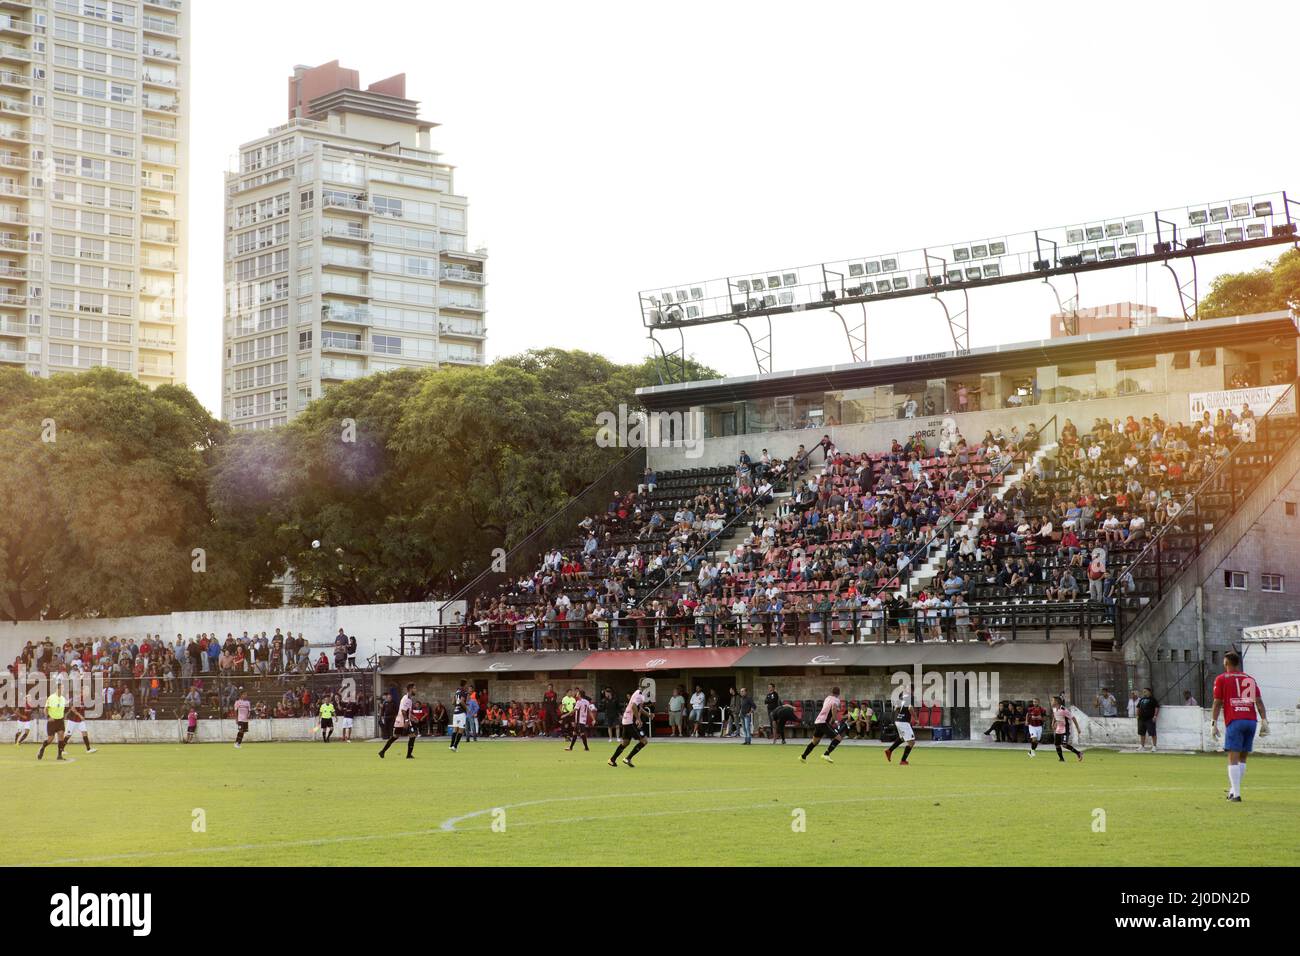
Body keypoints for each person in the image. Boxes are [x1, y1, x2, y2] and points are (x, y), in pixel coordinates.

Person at [1212, 651, 1269, 802]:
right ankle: (1232, 790)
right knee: (1242, 758)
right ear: (1238, 663)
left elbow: (1217, 702)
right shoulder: (1249, 679)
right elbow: (1258, 701)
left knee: (1233, 758)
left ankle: (1236, 794)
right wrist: (1264, 720)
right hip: (1251, 721)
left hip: (1235, 720)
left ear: (1226, 663)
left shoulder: (1222, 679)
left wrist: (1213, 722)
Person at [609, 679, 652, 768]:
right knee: (644, 741)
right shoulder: (639, 694)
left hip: (626, 720)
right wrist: (639, 719)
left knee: (625, 742)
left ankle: (612, 760)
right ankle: (628, 758)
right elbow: (633, 707)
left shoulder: (639, 693)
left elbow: (639, 708)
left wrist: (648, 715)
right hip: (630, 721)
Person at [800, 687, 846, 764]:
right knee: (838, 738)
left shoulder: (827, 698)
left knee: (815, 742)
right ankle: (826, 754)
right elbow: (834, 707)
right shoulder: (836, 700)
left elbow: (829, 707)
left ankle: (803, 756)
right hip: (824, 722)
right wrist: (833, 720)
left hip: (818, 721)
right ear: (839, 693)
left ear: (832, 692)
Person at [378, 682, 418, 759]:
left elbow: (406, 711)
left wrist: (412, 717)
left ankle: (382, 752)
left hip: (403, 720)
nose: (416, 690)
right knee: (412, 736)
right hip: (402, 721)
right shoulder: (405, 699)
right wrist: (406, 721)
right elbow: (403, 711)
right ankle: (408, 755)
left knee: (395, 736)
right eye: (414, 688)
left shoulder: (409, 699)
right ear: (410, 689)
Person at [36, 687, 70, 762]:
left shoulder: (63, 699)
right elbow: (45, 709)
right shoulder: (51, 698)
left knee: (61, 737)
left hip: (60, 720)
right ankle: (42, 748)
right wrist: (48, 717)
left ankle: (59, 755)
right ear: (57, 689)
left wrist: (65, 716)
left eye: (63, 689)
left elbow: (65, 709)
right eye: (61, 688)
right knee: (50, 739)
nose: (63, 690)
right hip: (52, 721)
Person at [885, 691, 916, 765]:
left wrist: (901, 712)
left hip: (898, 721)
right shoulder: (910, 698)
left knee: (902, 738)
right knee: (911, 742)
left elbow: (895, 708)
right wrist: (916, 718)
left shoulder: (901, 701)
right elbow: (910, 708)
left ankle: (889, 750)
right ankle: (903, 761)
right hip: (904, 723)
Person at [1051, 695, 1084, 762]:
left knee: (1064, 745)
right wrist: (1053, 723)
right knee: (1057, 745)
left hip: (1065, 730)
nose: (1052, 702)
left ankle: (1078, 753)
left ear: (1057, 702)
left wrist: (1078, 728)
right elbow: (1055, 716)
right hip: (1058, 730)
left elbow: (1073, 718)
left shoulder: (1064, 710)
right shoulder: (1054, 709)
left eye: (1053, 700)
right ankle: (1061, 759)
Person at [1135, 686, 1159, 751]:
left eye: (1145, 691)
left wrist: (1155, 716)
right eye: (1143, 691)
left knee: (1152, 733)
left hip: (1150, 719)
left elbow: (1156, 708)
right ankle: (1142, 746)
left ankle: (1154, 746)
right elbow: (1138, 707)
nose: (1144, 692)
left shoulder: (1153, 699)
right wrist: (1137, 715)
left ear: (1149, 692)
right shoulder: (1141, 699)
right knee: (1142, 733)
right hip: (1141, 719)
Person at [449, 680, 469, 751]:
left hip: (455, 712)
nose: (467, 686)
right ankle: (455, 746)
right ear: (465, 684)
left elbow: (453, 702)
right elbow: (462, 701)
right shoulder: (464, 692)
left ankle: (451, 745)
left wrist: (457, 705)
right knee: (461, 730)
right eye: (467, 685)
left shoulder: (457, 691)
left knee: (455, 729)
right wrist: (467, 709)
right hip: (461, 713)